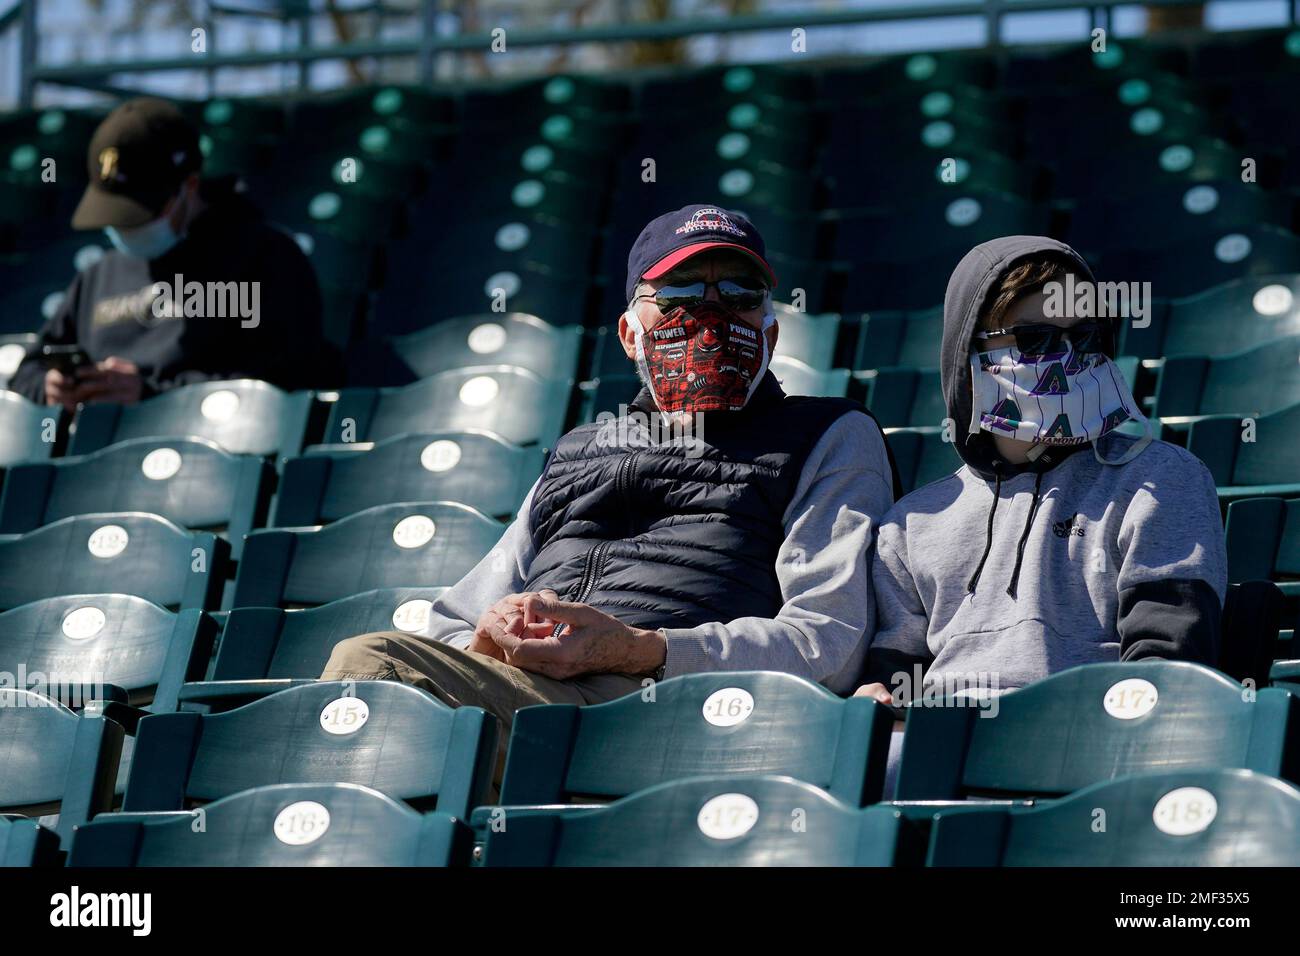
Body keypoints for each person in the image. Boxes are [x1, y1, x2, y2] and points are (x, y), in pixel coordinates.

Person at [323, 203, 899, 741]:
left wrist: (637, 650)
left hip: (672, 707)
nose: (712, 314)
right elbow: (454, 619)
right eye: (678, 295)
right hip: (529, 690)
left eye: (740, 294)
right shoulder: (583, 446)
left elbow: (827, 641)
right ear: (630, 336)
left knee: (369, 670)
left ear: (770, 335)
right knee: (360, 693)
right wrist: (487, 637)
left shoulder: (827, 433)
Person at [856, 235, 1226, 726]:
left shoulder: (1159, 479)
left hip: (1086, 745)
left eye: (1084, 337)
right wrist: (877, 699)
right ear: (969, 352)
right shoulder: (911, 523)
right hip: (935, 753)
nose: (1067, 359)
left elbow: (1166, 664)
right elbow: (898, 676)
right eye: (1034, 339)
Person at [9, 97, 337, 408]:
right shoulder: (99, 275)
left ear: (189, 186)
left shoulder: (265, 258)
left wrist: (151, 395)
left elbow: (287, 381)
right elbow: (26, 375)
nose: (125, 229)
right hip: (92, 453)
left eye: (138, 214)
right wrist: (52, 388)